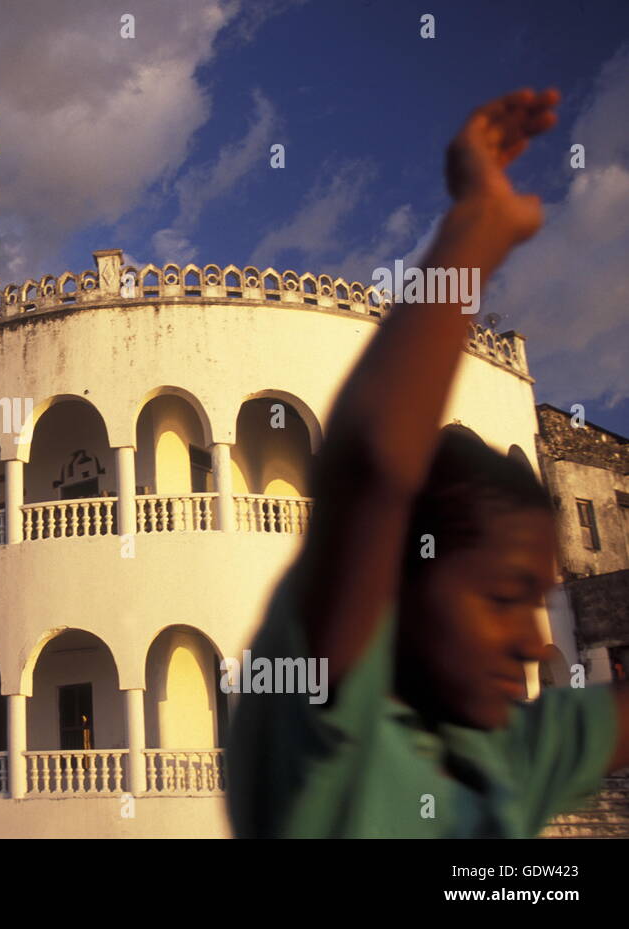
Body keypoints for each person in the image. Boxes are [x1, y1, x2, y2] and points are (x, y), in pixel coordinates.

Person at [226, 88, 629, 838]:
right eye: (504, 595)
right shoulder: (328, 752)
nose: (538, 640)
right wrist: (475, 229)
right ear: (396, 581)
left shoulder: (503, 752)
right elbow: (371, 468)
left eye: (536, 598)